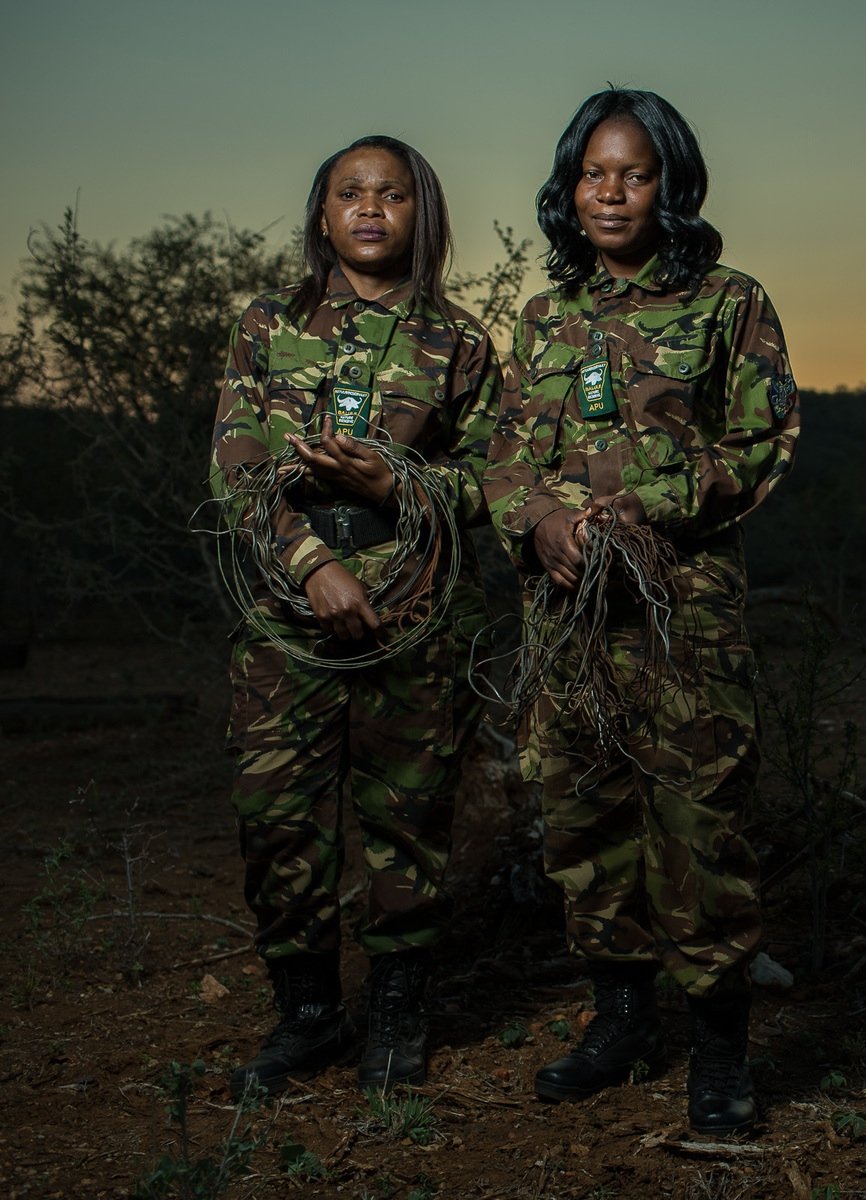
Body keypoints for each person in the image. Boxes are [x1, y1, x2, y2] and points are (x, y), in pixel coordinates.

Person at [485, 88, 799, 1135]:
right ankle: (619, 1022)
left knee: (699, 823)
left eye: (635, 173)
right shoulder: (544, 318)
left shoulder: (728, 302)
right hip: (566, 619)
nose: (612, 192)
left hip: (683, 614)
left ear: (671, 183)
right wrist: (540, 523)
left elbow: (758, 444)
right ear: (568, 189)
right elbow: (503, 456)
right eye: (593, 174)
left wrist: (642, 510)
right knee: (582, 816)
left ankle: (719, 1052)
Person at [210, 135, 498, 1097]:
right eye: (350, 192)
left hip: (415, 610)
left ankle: (397, 1015)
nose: (371, 208)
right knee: (276, 816)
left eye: (392, 194)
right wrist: (313, 565)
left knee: (406, 818)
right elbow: (235, 468)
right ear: (323, 213)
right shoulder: (268, 324)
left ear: (424, 213)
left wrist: (398, 486)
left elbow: (491, 480)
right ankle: (308, 1016)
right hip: (286, 612)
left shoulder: (459, 341)